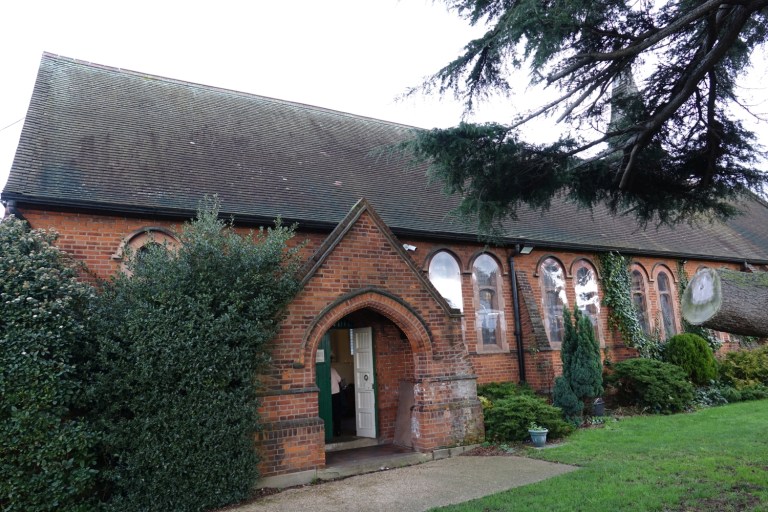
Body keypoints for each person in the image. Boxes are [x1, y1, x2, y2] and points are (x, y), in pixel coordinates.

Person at [330, 366, 343, 437]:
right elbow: (339, 379)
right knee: (337, 413)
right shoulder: (333, 370)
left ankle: (329, 431)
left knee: (330, 413)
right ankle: (337, 431)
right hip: (335, 394)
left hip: (328, 394)